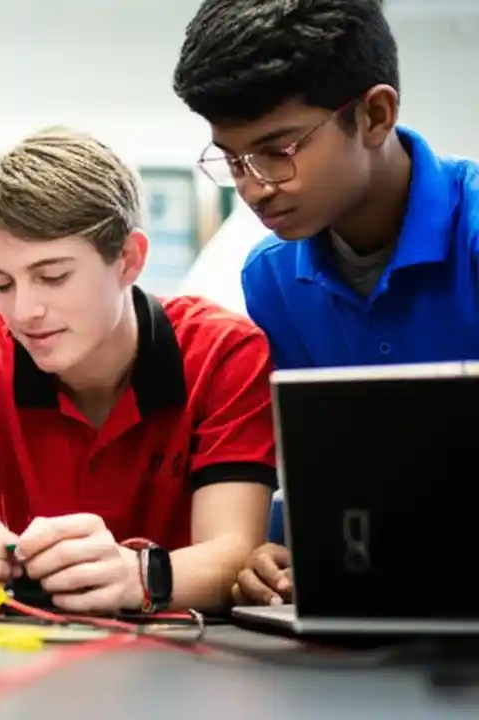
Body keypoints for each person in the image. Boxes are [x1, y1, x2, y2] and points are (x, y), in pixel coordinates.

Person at [0, 127, 275, 614]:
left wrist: (136, 576)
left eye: (53, 277)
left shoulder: (224, 353)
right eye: (2, 283)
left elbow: (236, 555)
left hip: (187, 650)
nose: (24, 311)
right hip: (32, 648)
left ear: (128, 260)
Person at [173, 0, 479, 605]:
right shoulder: (273, 281)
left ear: (375, 115)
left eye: (277, 150)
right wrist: (281, 549)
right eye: (233, 159)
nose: (253, 187)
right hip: (391, 618)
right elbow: (346, 483)